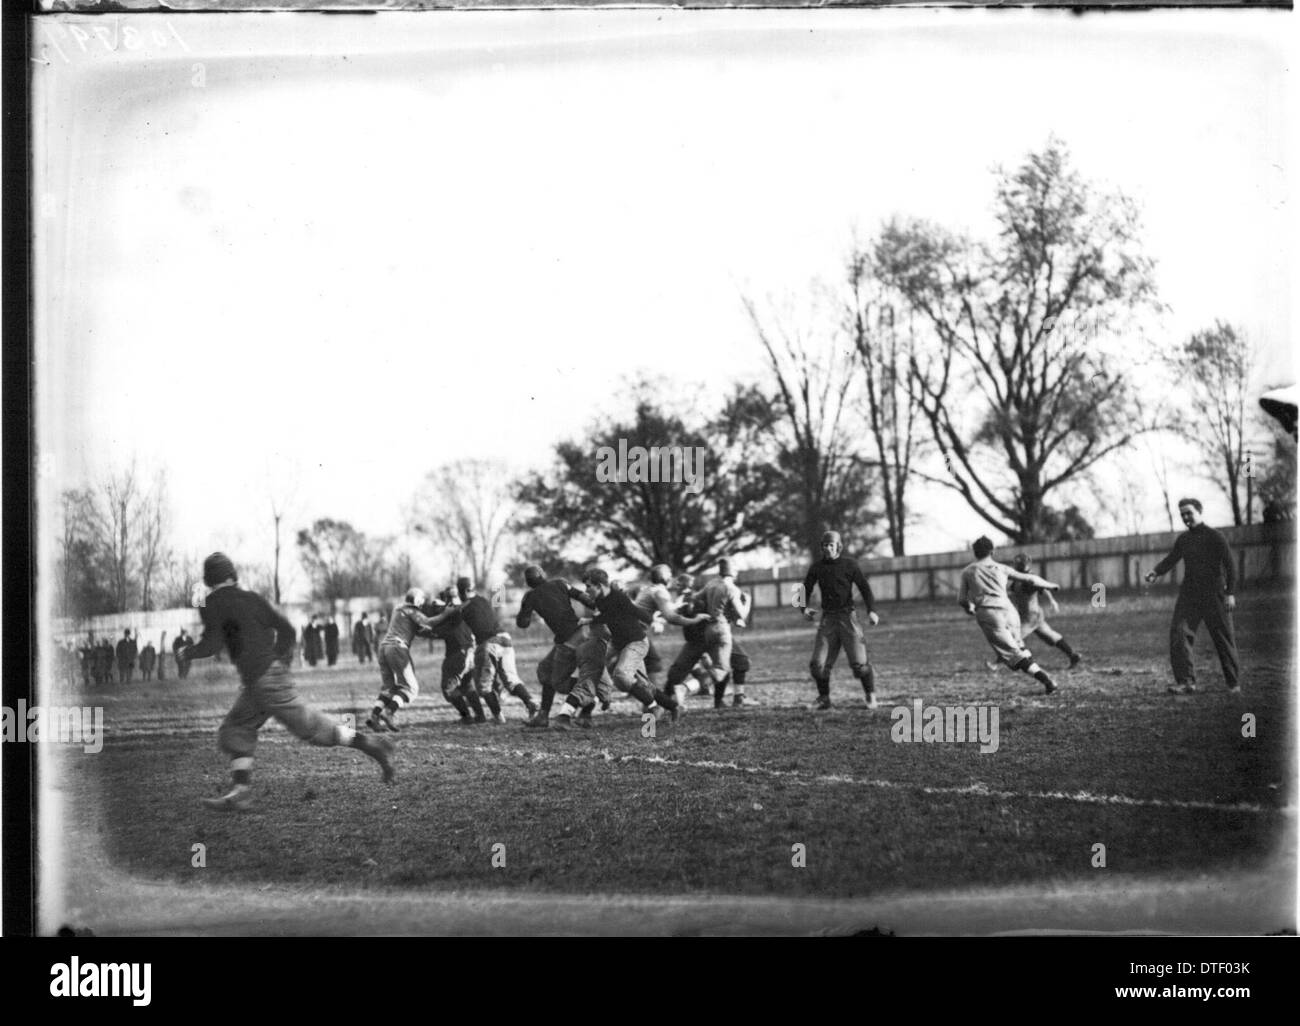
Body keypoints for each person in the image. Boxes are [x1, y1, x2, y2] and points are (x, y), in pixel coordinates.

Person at [184, 552, 395, 812]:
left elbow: (213, 643)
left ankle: (371, 745)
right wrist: (280, 662)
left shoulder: (213, 602)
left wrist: (188, 652)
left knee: (311, 728)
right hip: (263, 679)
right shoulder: (252, 599)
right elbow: (287, 629)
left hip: (262, 680)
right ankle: (240, 792)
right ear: (231, 575)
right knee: (237, 727)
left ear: (209, 579)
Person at [1145, 497, 1241, 695]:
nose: (1186, 517)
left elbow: (1231, 566)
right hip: (1190, 594)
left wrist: (1230, 593)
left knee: (1223, 639)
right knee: (1179, 633)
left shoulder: (1215, 536)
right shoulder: (1184, 539)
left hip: (1215, 594)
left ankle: (1233, 684)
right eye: (1182, 515)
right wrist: (1156, 572)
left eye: (1189, 513)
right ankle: (1186, 682)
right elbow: (1172, 558)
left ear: (1199, 511)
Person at [958, 537, 1061, 695]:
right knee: (1019, 647)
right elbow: (1030, 579)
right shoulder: (1002, 568)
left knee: (1013, 656)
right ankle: (1044, 676)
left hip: (989, 613)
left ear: (975, 553)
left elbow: (962, 599)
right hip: (1010, 611)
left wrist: (969, 608)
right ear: (992, 551)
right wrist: (1050, 585)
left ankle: (1047, 681)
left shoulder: (968, 571)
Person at [801, 531, 881, 710]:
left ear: (838, 546)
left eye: (831, 545)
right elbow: (804, 588)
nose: (827, 548)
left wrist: (872, 611)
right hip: (828, 618)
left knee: (860, 665)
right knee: (817, 665)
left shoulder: (849, 564)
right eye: (825, 545)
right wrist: (802, 608)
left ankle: (870, 695)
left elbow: (865, 588)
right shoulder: (817, 567)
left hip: (848, 618)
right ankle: (824, 698)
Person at [452, 578, 539, 725]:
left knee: (484, 686)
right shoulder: (484, 600)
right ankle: (530, 701)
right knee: (511, 680)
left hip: (488, 643)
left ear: (465, 591)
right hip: (505, 639)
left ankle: (498, 717)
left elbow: (453, 617)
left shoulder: (464, 607)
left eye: (460, 592)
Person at [366, 588, 449, 732]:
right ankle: (389, 712)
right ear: (417, 601)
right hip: (397, 647)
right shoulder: (411, 611)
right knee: (411, 688)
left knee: (389, 688)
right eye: (421, 602)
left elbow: (416, 629)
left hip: (384, 647)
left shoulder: (398, 609)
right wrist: (446, 614)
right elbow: (428, 622)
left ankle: (374, 716)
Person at [1008, 554, 1081, 668]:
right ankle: (1073, 655)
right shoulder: (1019, 578)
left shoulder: (1030, 578)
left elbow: (1044, 587)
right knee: (1050, 637)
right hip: (1032, 615)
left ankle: (997, 664)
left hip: (1030, 617)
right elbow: (1014, 592)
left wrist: (1052, 601)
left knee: (1012, 639)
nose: (1017, 566)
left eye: (1019, 564)